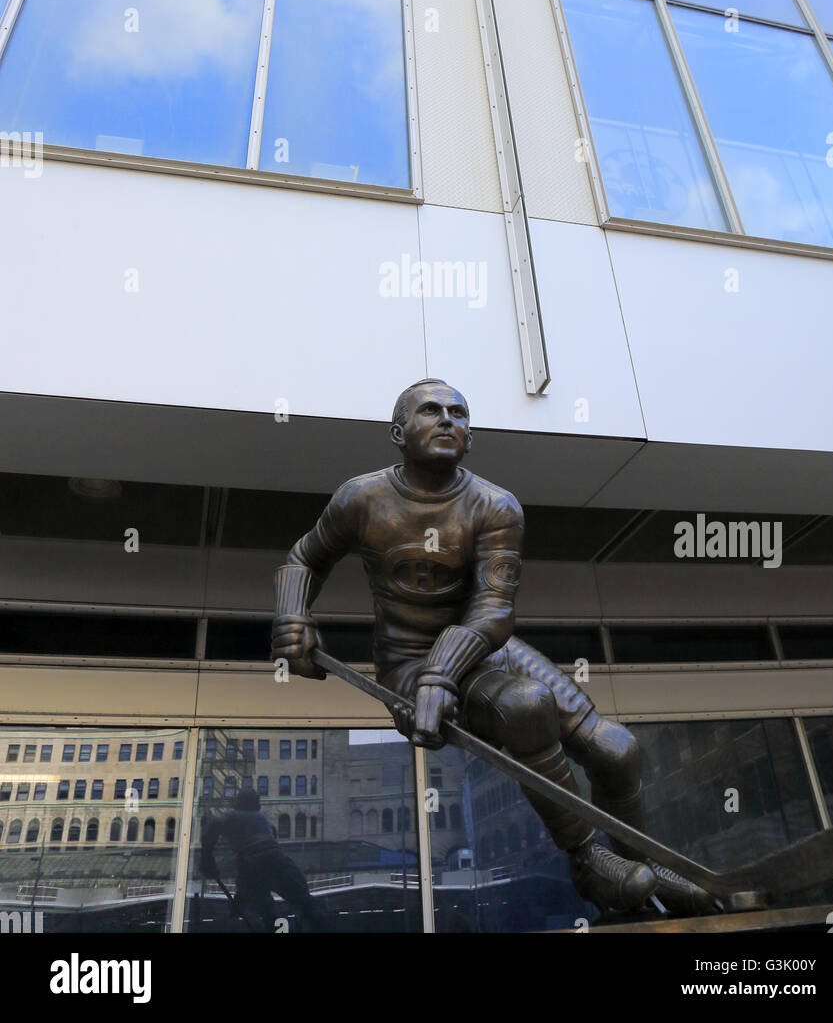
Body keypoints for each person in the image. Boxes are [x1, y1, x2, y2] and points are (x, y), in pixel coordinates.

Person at [271, 378, 714, 916]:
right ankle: (586, 860)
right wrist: (294, 615)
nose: (447, 420)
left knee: (617, 749)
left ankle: (645, 861)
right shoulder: (361, 498)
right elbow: (303, 557)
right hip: (408, 661)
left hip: (483, 651)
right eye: (430, 411)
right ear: (398, 432)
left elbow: (493, 610)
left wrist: (444, 673)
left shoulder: (495, 505)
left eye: (459, 414)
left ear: (470, 435)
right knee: (527, 707)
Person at [200, 789, 327, 932]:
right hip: (277, 859)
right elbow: (273, 833)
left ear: (239, 803)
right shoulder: (263, 818)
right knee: (304, 900)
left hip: (253, 862)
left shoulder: (232, 816)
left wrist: (207, 858)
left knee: (263, 904)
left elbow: (212, 826)